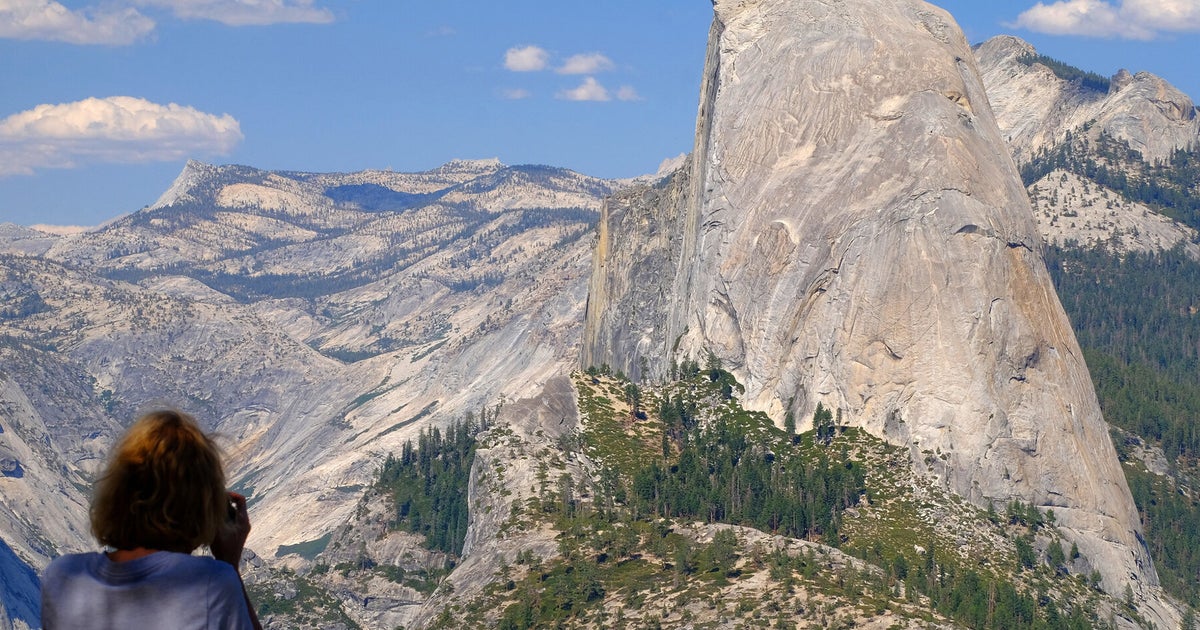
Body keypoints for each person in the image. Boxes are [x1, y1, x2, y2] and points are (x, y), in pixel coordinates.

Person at [40, 409, 263, 630]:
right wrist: (230, 564)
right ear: (202, 505)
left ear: (117, 492)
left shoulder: (62, 576)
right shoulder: (211, 583)